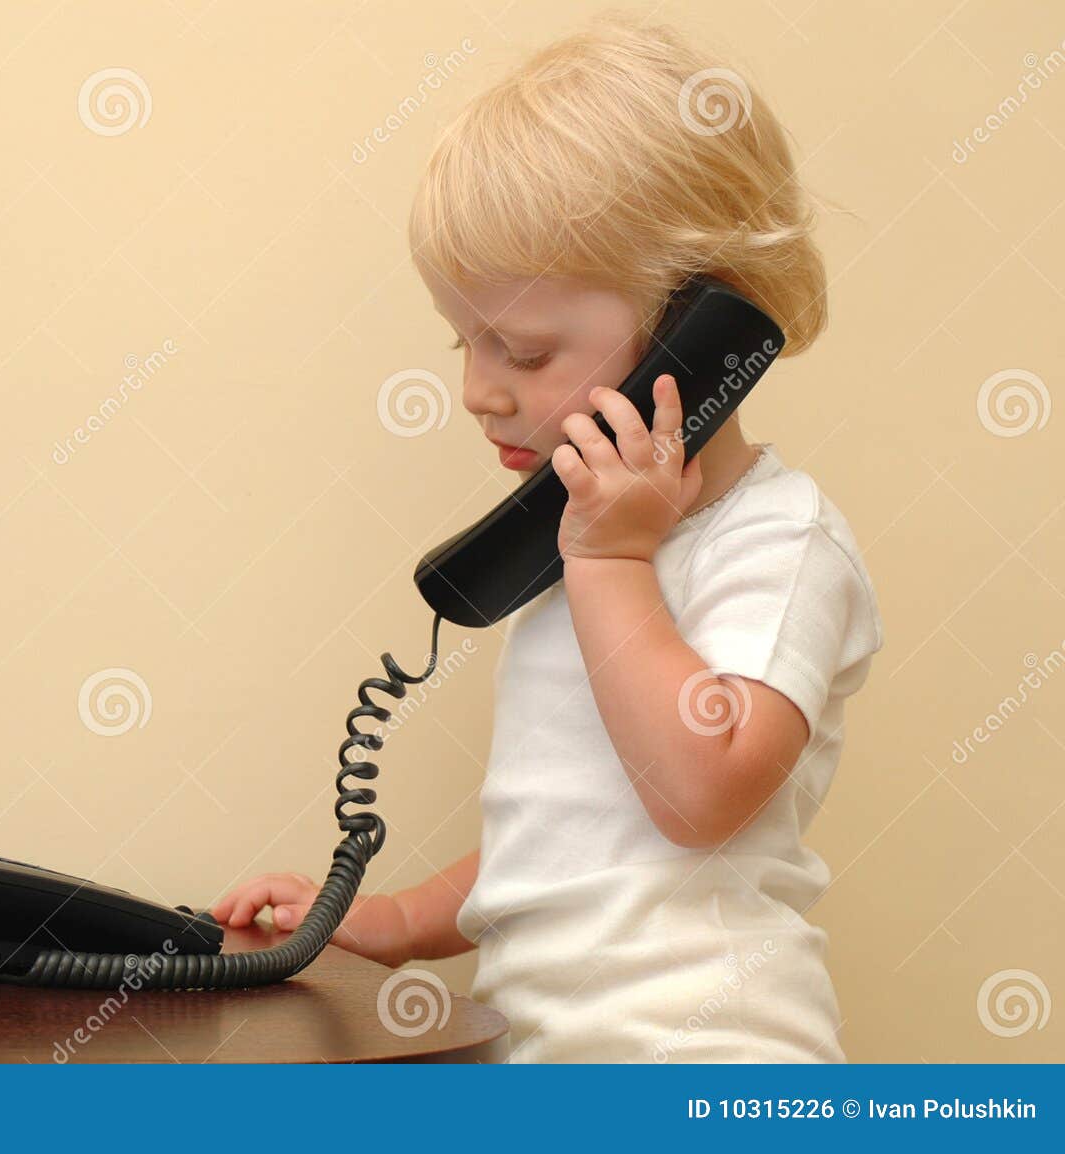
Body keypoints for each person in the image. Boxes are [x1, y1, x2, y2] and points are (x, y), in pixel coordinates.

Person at [211, 13, 884, 1062]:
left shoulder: (777, 547)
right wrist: (390, 920)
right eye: (464, 343)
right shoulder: (589, 554)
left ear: (698, 334)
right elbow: (562, 837)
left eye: (520, 349)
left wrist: (611, 563)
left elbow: (699, 792)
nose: (478, 392)